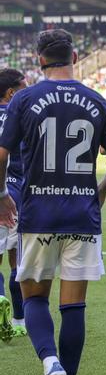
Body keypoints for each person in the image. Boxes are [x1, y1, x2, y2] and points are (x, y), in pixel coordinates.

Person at [0, 29, 106, 375]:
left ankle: (50, 361)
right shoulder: (98, 100)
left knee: (34, 296)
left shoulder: (23, 100)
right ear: (74, 58)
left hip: (38, 212)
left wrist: (1, 196)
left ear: (40, 60)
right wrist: (100, 192)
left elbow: (2, 155)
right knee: (74, 307)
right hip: (81, 215)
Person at [0, 68, 28, 341]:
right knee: (16, 262)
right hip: (15, 195)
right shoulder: (20, 116)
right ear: (11, 93)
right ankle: (19, 321)